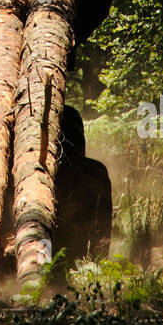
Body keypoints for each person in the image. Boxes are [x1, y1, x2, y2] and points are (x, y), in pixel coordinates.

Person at [51, 106, 112, 262]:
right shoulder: (97, 172)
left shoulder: (96, 173)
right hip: (75, 254)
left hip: (51, 253)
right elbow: (104, 226)